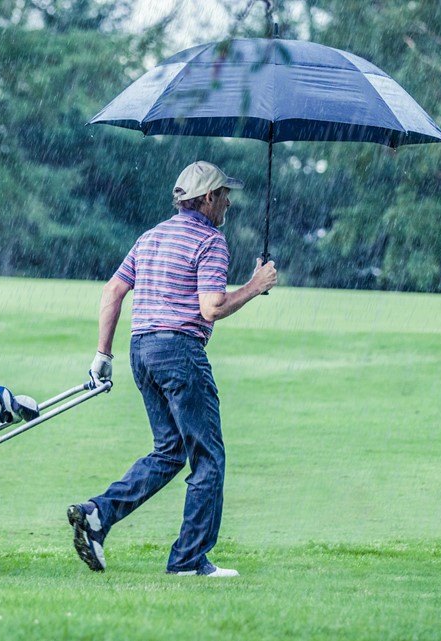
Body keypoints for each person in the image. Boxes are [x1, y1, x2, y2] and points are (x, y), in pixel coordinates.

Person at [68, 161, 278, 578]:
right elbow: (211, 308)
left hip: (141, 351)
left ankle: (97, 514)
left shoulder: (150, 237)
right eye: (224, 195)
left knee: (169, 452)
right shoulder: (211, 240)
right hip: (179, 352)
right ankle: (188, 561)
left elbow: (113, 291)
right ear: (207, 198)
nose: (229, 203)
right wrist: (256, 286)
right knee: (208, 457)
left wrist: (103, 355)